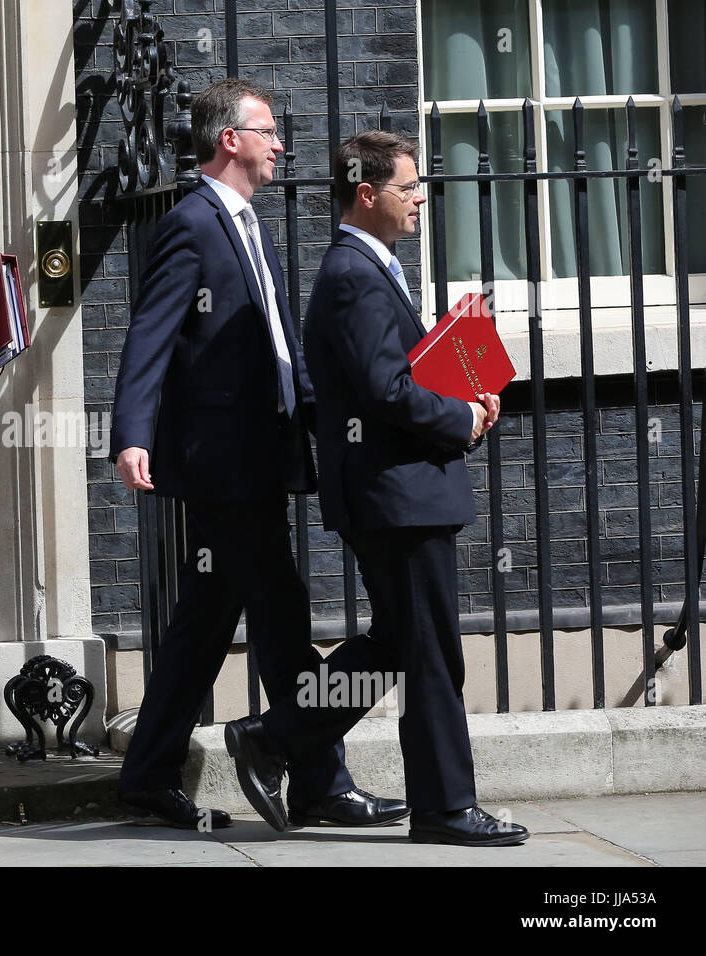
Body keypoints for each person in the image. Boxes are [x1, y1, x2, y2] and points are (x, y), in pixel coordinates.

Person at [109, 79, 407, 831]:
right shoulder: (192, 224)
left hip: (262, 454)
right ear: (229, 140)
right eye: (268, 130)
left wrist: (318, 414)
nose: (281, 144)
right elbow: (151, 332)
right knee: (280, 612)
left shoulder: (251, 226)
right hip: (223, 460)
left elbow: (279, 346)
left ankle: (148, 773)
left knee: (206, 619)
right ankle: (318, 776)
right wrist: (132, 434)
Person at [232, 130, 530, 846]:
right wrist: (460, 415)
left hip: (399, 490)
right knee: (430, 653)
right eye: (408, 186)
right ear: (367, 194)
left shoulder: (373, 268)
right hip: (395, 495)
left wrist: (469, 390)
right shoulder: (354, 275)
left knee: (400, 644)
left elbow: (397, 378)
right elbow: (386, 390)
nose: (421, 196)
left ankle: (276, 738)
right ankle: (445, 806)